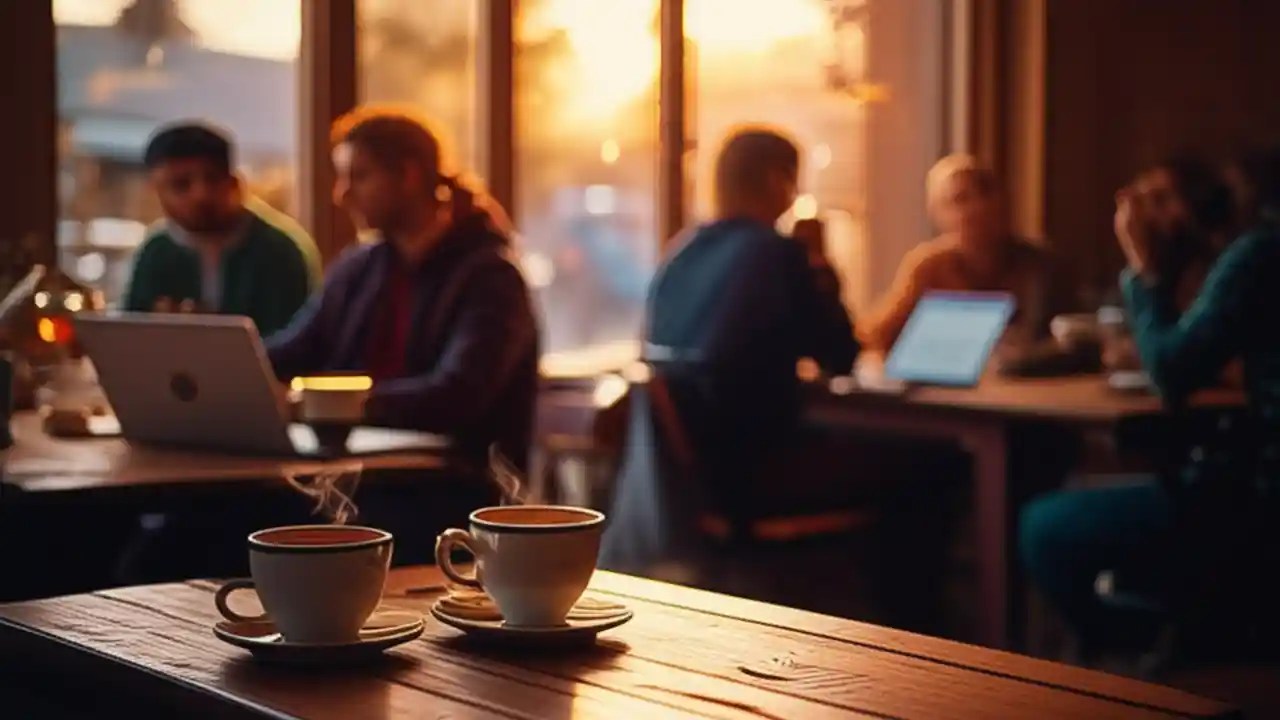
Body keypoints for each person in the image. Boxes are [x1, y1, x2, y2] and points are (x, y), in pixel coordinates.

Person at [1020, 150, 1280, 655]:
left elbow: (1172, 371)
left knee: (1043, 528)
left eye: (1163, 199)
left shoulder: (1259, 254)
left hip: (1254, 500)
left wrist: (1141, 267)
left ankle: (1151, 656)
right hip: (1241, 476)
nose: (1145, 213)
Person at [266, 107, 538, 469]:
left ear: (408, 175)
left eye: (358, 176)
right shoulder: (358, 267)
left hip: (450, 484)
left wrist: (324, 406)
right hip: (357, 473)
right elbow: (300, 346)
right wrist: (228, 370)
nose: (341, 194)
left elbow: (458, 395)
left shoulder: (491, 277)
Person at [125, 122, 321, 335]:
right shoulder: (155, 252)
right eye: (181, 184)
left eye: (212, 179)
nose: (200, 195)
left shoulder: (279, 251)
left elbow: (296, 344)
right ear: (156, 191)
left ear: (234, 183)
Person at [860, 154, 1062, 354]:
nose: (979, 207)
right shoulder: (928, 266)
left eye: (986, 191)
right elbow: (875, 336)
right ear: (937, 215)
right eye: (960, 199)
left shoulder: (1041, 265)